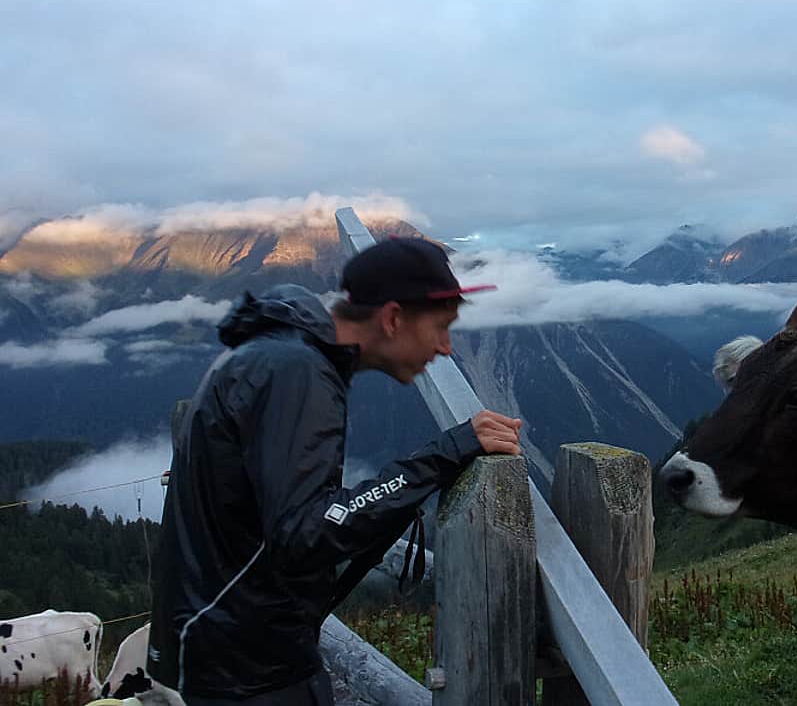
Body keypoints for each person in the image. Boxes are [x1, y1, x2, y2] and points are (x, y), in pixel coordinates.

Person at [147, 236, 522, 705]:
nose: (446, 347)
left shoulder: (281, 356)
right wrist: (441, 456)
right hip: (247, 671)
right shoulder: (297, 372)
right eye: (441, 328)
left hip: (236, 650)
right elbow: (305, 531)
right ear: (392, 318)